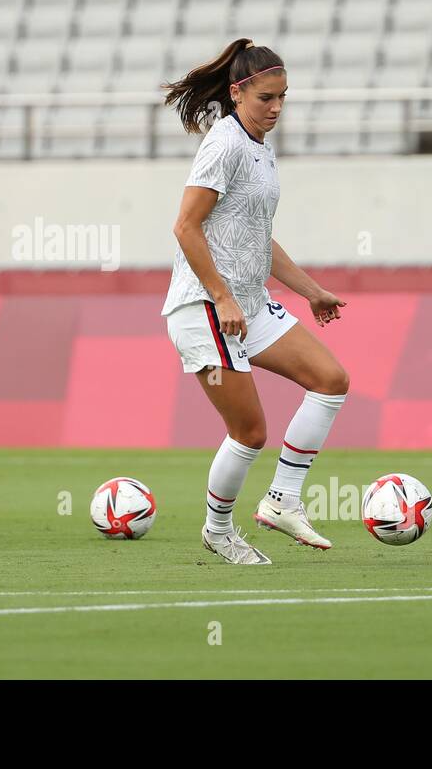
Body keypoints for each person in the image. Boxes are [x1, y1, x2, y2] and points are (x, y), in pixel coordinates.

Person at [161, 38, 350, 565]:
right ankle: (218, 530)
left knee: (331, 380)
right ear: (238, 91)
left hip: (248, 302)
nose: (276, 108)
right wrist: (221, 297)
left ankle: (283, 498)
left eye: (283, 97)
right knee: (249, 432)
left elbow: (256, 237)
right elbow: (185, 226)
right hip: (204, 307)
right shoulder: (224, 144)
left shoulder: (262, 144)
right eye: (267, 97)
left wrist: (311, 292)